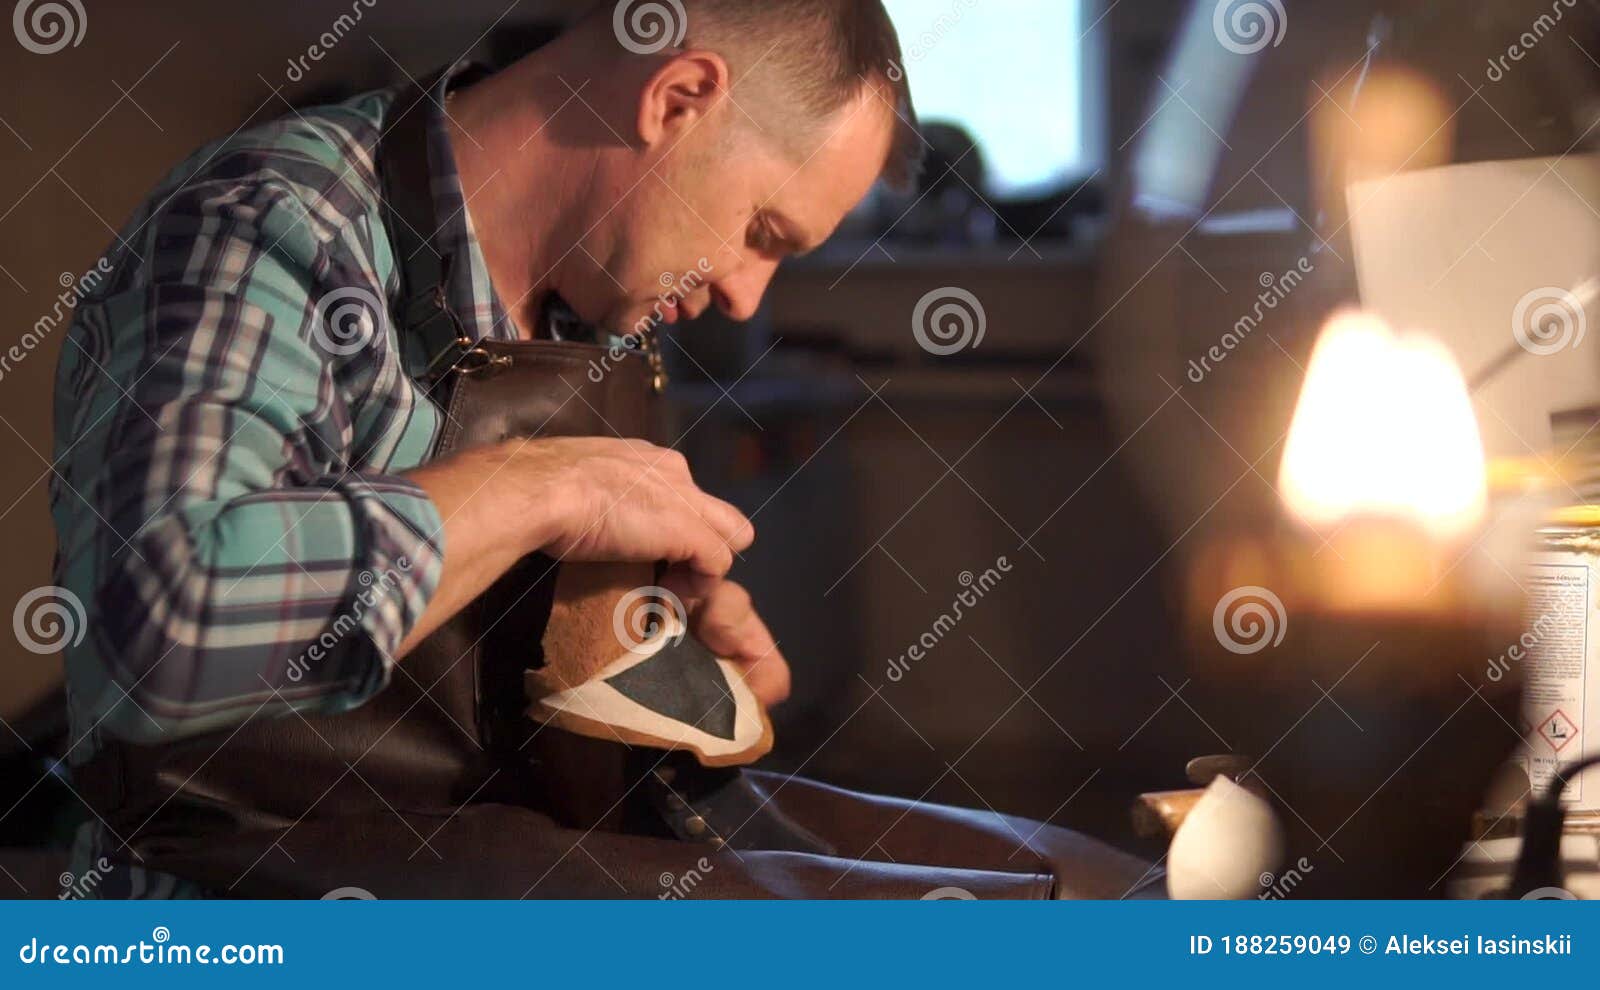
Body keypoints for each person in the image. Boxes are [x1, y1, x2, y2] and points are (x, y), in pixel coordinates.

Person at [49, 0, 1156, 898]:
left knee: (1072, 882)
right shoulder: (271, 225)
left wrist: (664, 674)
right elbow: (156, 633)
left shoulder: (593, 309)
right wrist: (540, 488)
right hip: (252, 909)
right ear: (677, 96)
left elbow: (496, 691)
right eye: (763, 231)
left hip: (506, 862)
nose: (744, 290)